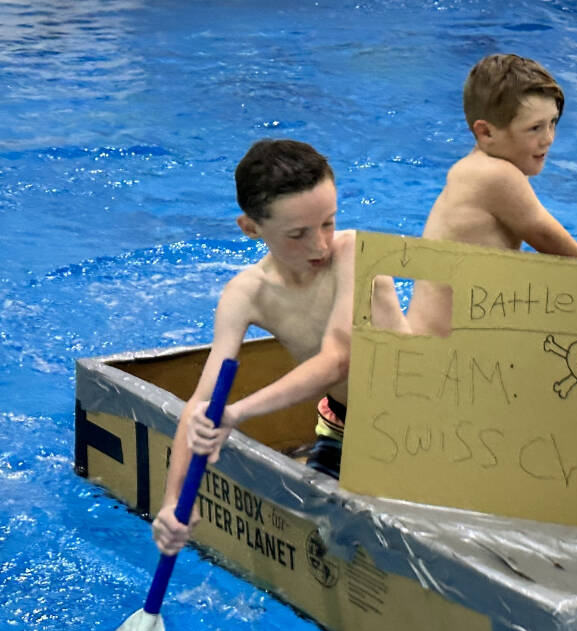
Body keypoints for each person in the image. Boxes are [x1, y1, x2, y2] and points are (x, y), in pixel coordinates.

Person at [151, 138, 406, 555]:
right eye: (298, 234)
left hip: (421, 427)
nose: (320, 245)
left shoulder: (355, 252)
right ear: (251, 228)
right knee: (331, 551)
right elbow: (203, 401)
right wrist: (174, 503)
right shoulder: (246, 294)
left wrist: (237, 413)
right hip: (344, 429)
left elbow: (338, 360)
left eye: (328, 222)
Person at [411, 53, 577, 337]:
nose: (549, 138)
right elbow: (571, 257)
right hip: (440, 355)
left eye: (553, 122)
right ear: (486, 132)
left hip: (431, 340)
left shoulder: (470, 169)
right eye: (535, 128)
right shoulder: (496, 177)